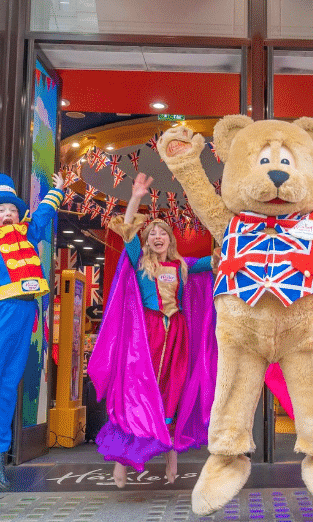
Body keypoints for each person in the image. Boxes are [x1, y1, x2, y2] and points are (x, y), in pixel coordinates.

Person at [88, 173, 217, 488]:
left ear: (171, 240)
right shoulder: (138, 261)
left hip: (176, 336)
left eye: (163, 233)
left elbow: (219, 260)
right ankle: (122, 463)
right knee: (137, 393)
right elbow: (127, 230)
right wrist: (135, 197)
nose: (158, 236)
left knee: (172, 391)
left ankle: (171, 457)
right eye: (153, 234)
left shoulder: (184, 266)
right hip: (144, 338)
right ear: (147, 241)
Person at [0, 173, 65, 491]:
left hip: (27, 315)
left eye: (11, 208)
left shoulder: (30, 230)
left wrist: (57, 190)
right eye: (0, 210)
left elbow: (43, 213)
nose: (7, 212)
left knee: (9, 386)